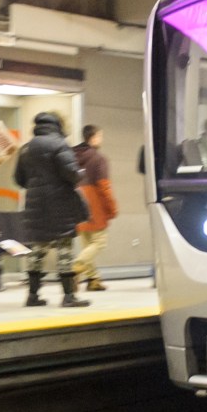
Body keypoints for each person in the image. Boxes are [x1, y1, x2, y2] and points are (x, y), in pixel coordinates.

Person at [15, 111, 91, 308]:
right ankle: (68, 296)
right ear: (58, 125)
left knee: (37, 251)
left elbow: (19, 179)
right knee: (64, 250)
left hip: (35, 205)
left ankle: (32, 295)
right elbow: (72, 174)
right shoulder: (59, 144)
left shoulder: (26, 148)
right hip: (59, 204)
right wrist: (80, 172)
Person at [72, 124, 120, 293]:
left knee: (87, 243)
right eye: (100, 136)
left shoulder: (72, 156)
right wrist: (112, 207)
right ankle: (75, 268)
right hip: (94, 203)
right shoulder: (99, 159)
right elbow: (104, 186)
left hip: (77, 201)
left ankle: (93, 280)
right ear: (93, 138)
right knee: (99, 242)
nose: (101, 139)